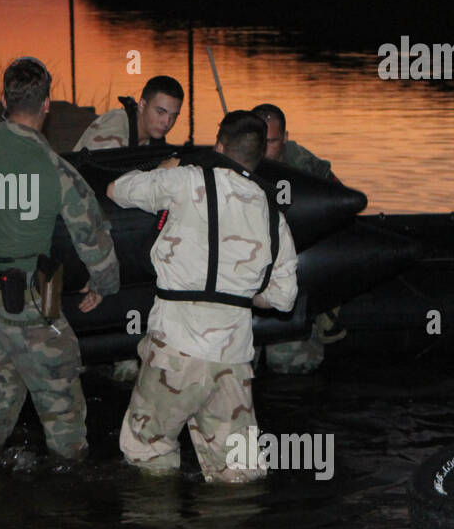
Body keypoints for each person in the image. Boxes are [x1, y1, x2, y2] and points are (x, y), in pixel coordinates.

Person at [0, 56, 119, 461]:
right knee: (62, 405)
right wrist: (104, 285)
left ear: (2, 99)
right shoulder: (58, 171)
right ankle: (65, 497)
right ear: (47, 105)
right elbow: (94, 238)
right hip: (32, 303)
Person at [108, 110, 297, 477]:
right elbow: (283, 297)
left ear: (219, 145)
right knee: (237, 471)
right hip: (233, 359)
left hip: (175, 349)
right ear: (259, 156)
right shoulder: (272, 212)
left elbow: (117, 190)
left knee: (149, 451)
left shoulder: (184, 180)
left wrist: (167, 165)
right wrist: (242, 294)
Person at [251, 102, 344, 373]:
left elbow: (338, 198)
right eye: (258, 141)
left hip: (293, 269)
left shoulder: (303, 163)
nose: (264, 150)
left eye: (272, 142)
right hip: (247, 274)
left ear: (285, 139)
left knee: (292, 365)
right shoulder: (236, 158)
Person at [72, 75, 184, 151]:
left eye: (173, 116)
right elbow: (108, 169)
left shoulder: (154, 140)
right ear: (142, 105)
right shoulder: (115, 123)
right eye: (160, 112)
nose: (167, 122)